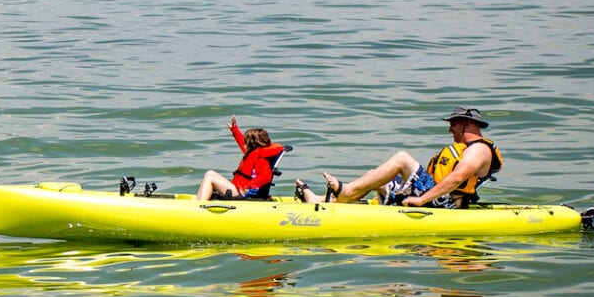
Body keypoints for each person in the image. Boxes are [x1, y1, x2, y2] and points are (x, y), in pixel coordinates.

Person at [296, 106, 503, 209]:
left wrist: (421, 199)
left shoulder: (478, 150)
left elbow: (457, 178)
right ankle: (326, 201)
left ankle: (347, 192)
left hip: (446, 204)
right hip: (436, 195)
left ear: (467, 124)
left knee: (403, 158)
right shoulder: (467, 148)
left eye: (453, 124)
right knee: (375, 176)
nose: (450, 129)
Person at [197, 115, 291, 200]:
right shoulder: (255, 153)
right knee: (210, 173)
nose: (244, 144)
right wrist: (234, 130)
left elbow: (266, 176)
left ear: (251, 144)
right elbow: (242, 144)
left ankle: (200, 205)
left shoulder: (261, 160)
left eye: (246, 141)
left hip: (242, 192)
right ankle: (199, 201)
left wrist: (248, 186)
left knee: (210, 179)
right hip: (238, 187)